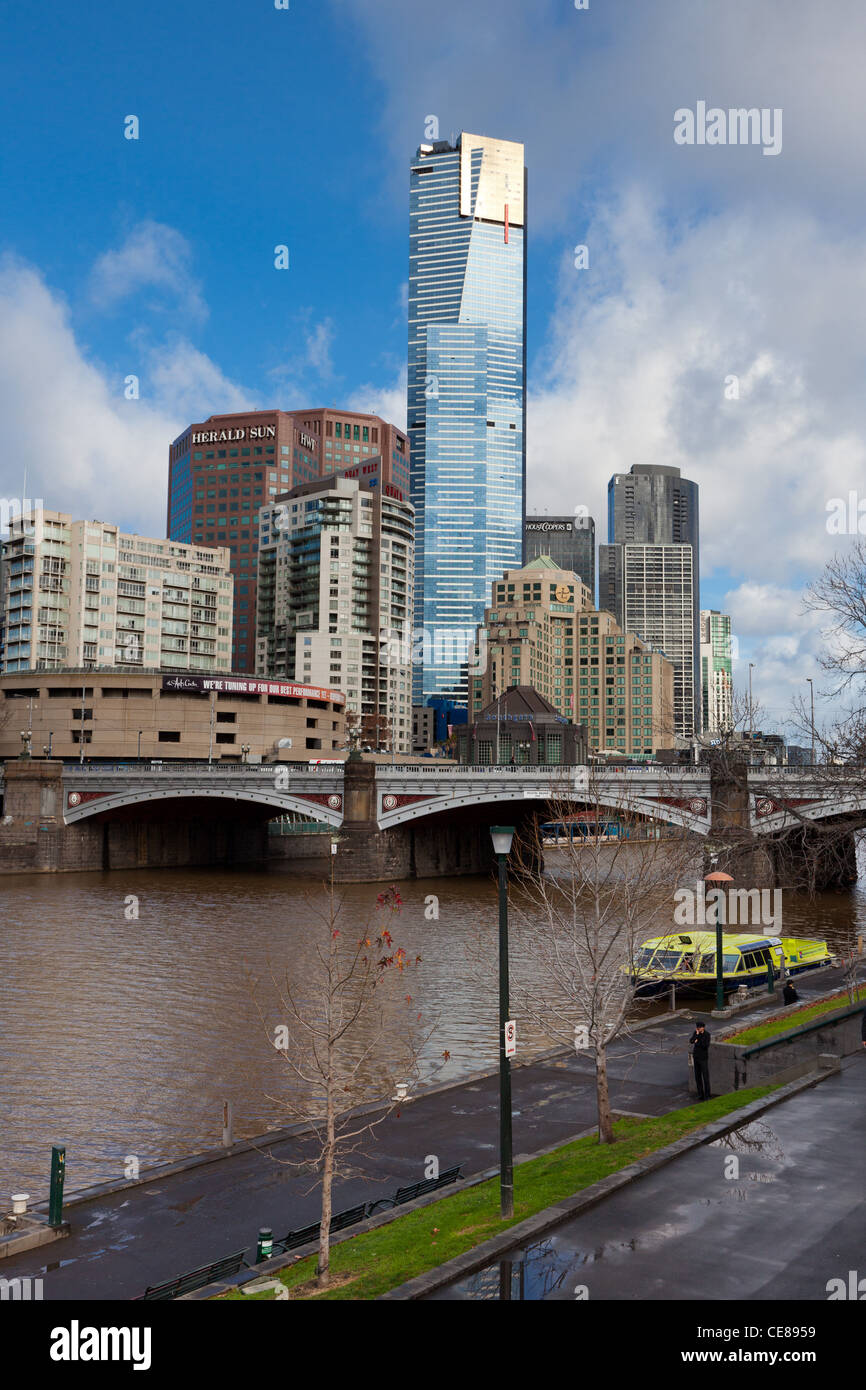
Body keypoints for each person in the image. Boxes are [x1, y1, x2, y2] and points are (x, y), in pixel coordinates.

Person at [689, 1021, 711, 1101]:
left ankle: (707, 1095)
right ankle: (700, 1094)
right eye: (697, 1027)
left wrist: (697, 1042)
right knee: (697, 1077)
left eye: (700, 1027)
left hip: (703, 1058)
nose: (698, 1028)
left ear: (703, 1027)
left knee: (705, 1077)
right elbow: (691, 1041)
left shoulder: (707, 1035)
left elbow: (705, 1046)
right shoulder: (696, 1033)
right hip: (696, 1057)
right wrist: (697, 1036)